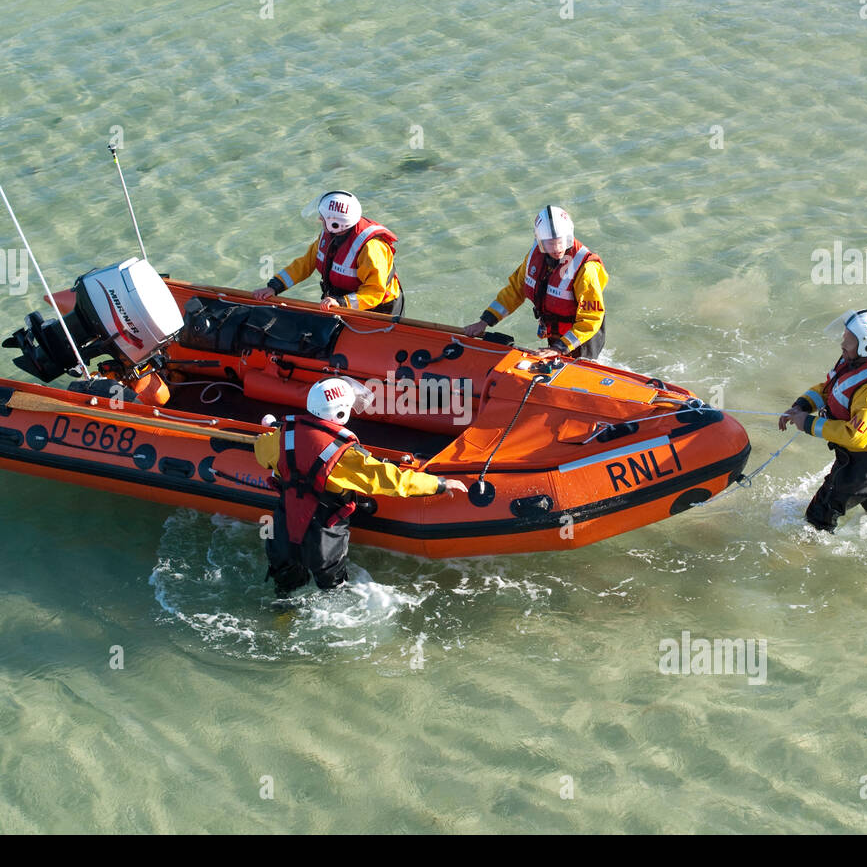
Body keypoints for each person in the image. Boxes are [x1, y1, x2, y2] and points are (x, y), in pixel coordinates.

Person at [255, 378, 466, 595]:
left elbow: (262, 454)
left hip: (281, 533)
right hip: (322, 540)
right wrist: (438, 484)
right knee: (332, 593)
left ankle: (282, 618)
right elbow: (391, 480)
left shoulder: (283, 436)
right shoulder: (345, 454)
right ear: (339, 412)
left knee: (285, 590)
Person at [779, 308, 867, 532]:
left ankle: (807, 554)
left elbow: (855, 436)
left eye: (848, 339)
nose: (842, 343)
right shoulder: (855, 360)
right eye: (845, 335)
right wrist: (801, 406)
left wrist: (806, 423)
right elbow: (830, 389)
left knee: (819, 516)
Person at [463, 205, 608, 359]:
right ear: (540, 241)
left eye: (561, 241)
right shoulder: (534, 257)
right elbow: (514, 291)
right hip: (556, 333)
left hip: (582, 337)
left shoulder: (586, 269)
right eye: (550, 243)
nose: (557, 248)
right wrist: (484, 322)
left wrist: (560, 348)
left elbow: (591, 318)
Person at [252, 191, 404, 315]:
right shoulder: (330, 235)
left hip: (379, 308)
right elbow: (305, 264)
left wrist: (342, 302)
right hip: (341, 300)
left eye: (322, 217)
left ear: (336, 223)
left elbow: (374, 291)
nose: (319, 219)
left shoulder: (371, 248)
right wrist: (274, 287)